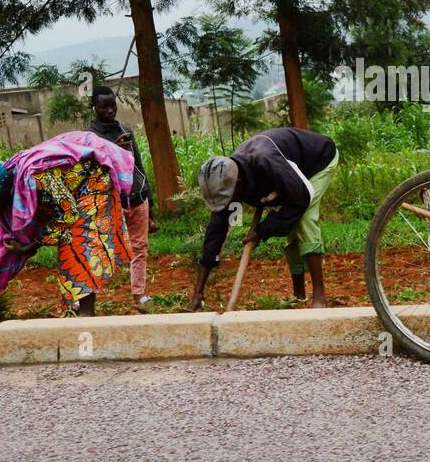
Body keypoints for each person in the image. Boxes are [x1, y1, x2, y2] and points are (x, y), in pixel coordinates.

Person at [0, 130, 134, 320]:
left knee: (74, 244)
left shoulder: (38, 178)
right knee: (55, 238)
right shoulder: (7, 180)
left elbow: (68, 214)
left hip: (93, 182)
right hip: (66, 194)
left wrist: (31, 245)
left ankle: (86, 313)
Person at [192, 127, 339, 310]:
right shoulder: (228, 182)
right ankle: (299, 295)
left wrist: (261, 231)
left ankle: (319, 296)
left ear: (238, 185)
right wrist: (199, 291)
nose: (229, 205)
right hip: (290, 175)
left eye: (228, 200)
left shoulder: (265, 162)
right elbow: (217, 230)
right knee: (291, 223)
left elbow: (299, 200)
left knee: (303, 218)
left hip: (318, 160)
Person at [88, 86, 158, 309]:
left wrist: (151, 207)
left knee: (139, 248)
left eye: (113, 106)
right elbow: (91, 172)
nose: (110, 111)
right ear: (94, 108)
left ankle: (139, 295)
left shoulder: (125, 130)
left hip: (137, 197)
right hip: (110, 200)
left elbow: (138, 166)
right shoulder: (90, 138)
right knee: (101, 247)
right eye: (104, 107)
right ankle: (89, 298)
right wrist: (113, 150)